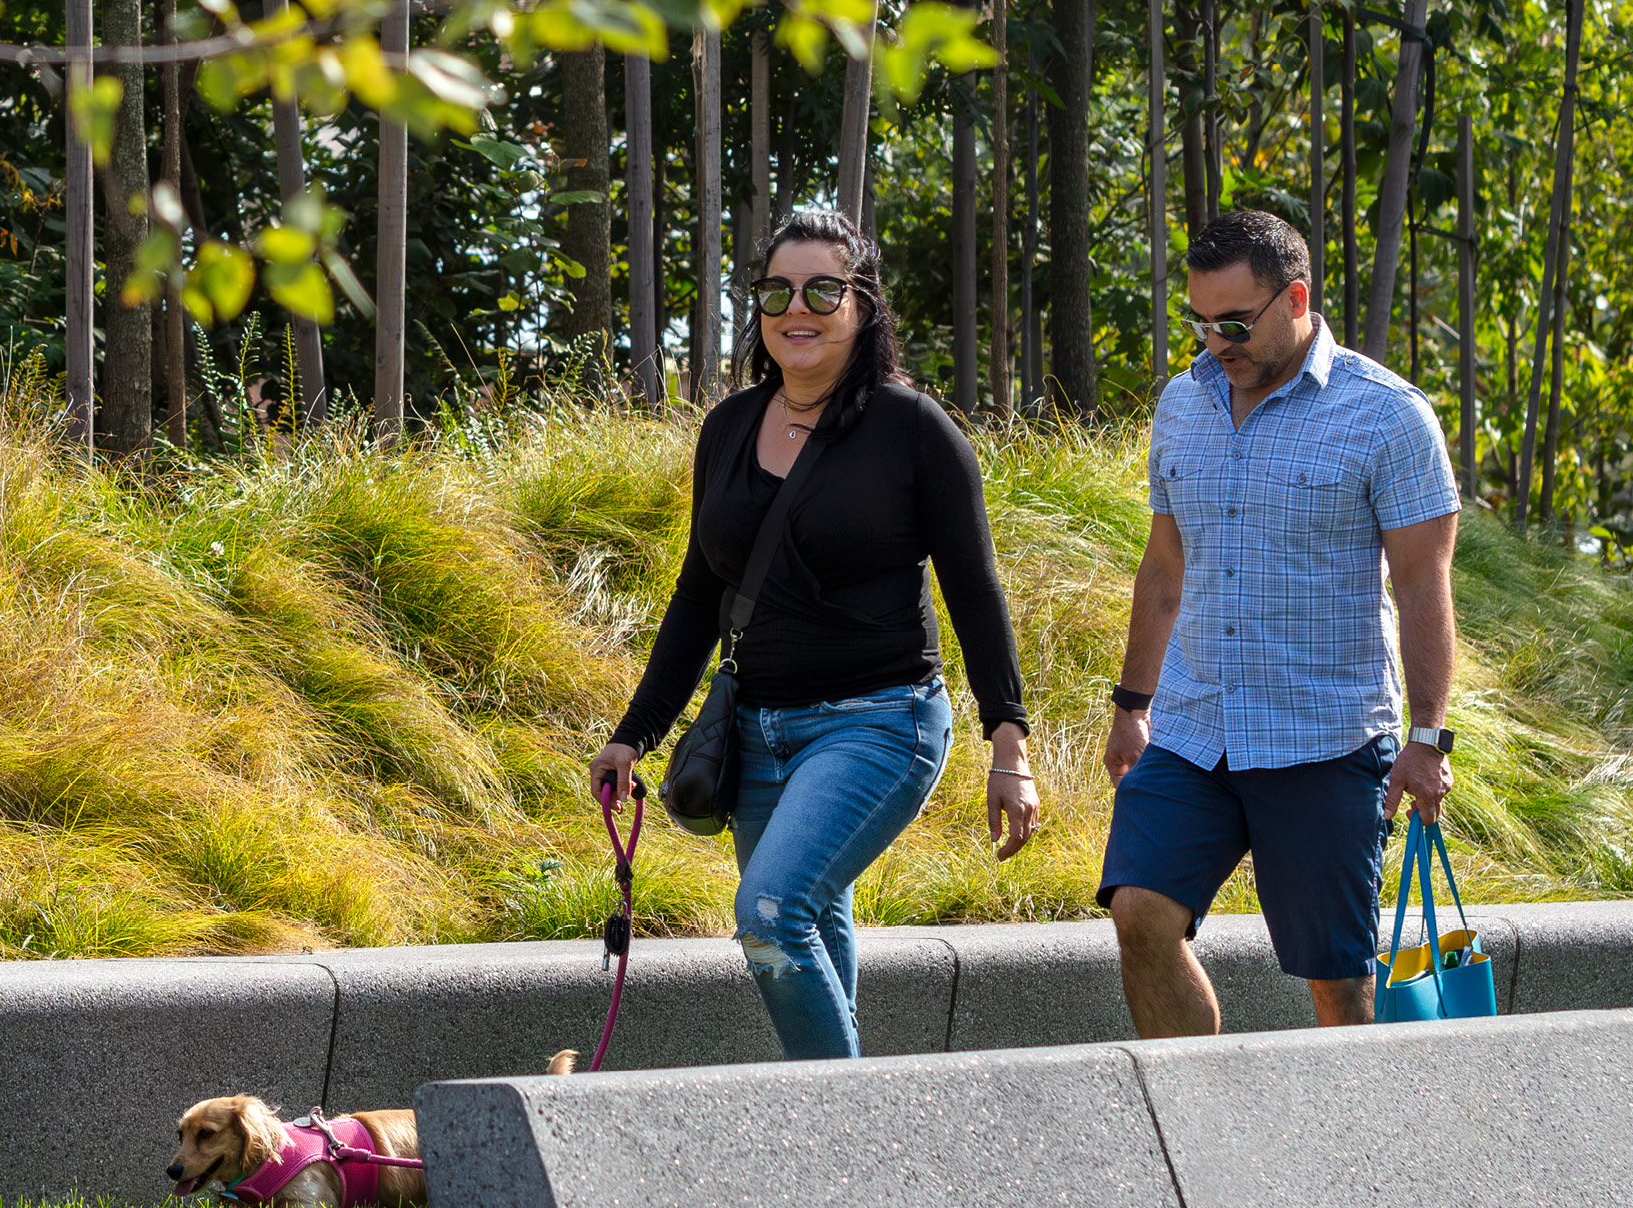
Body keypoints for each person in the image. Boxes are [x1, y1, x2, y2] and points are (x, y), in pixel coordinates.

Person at [591, 205, 1040, 1059]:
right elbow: (699, 593)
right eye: (777, 290)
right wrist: (635, 733)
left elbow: (975, 590)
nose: (797, 308)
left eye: (823, 289)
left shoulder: (913, 429)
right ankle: (845, 1152)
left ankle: (847, 1129)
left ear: (862, 305)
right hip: (756, 735)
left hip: (880, 721)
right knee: (807, 919)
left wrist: (1008, 742)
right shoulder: (727, 427)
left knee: (769, 911)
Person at [1097, 207, 1463, 1033]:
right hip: (1194, 732)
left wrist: (1428, 737)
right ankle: (1193, 1127)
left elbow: (1422, 586)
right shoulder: (1183, 403)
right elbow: (1164, 567)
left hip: (1323, 742)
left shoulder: (1388, 417)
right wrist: (1132, 706)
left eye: (1233, 322)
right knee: (1139, 914)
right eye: (1198, 320)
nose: (1213, 341)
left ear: (1295, 299)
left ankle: (1358, 1153)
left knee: (1336, 983)